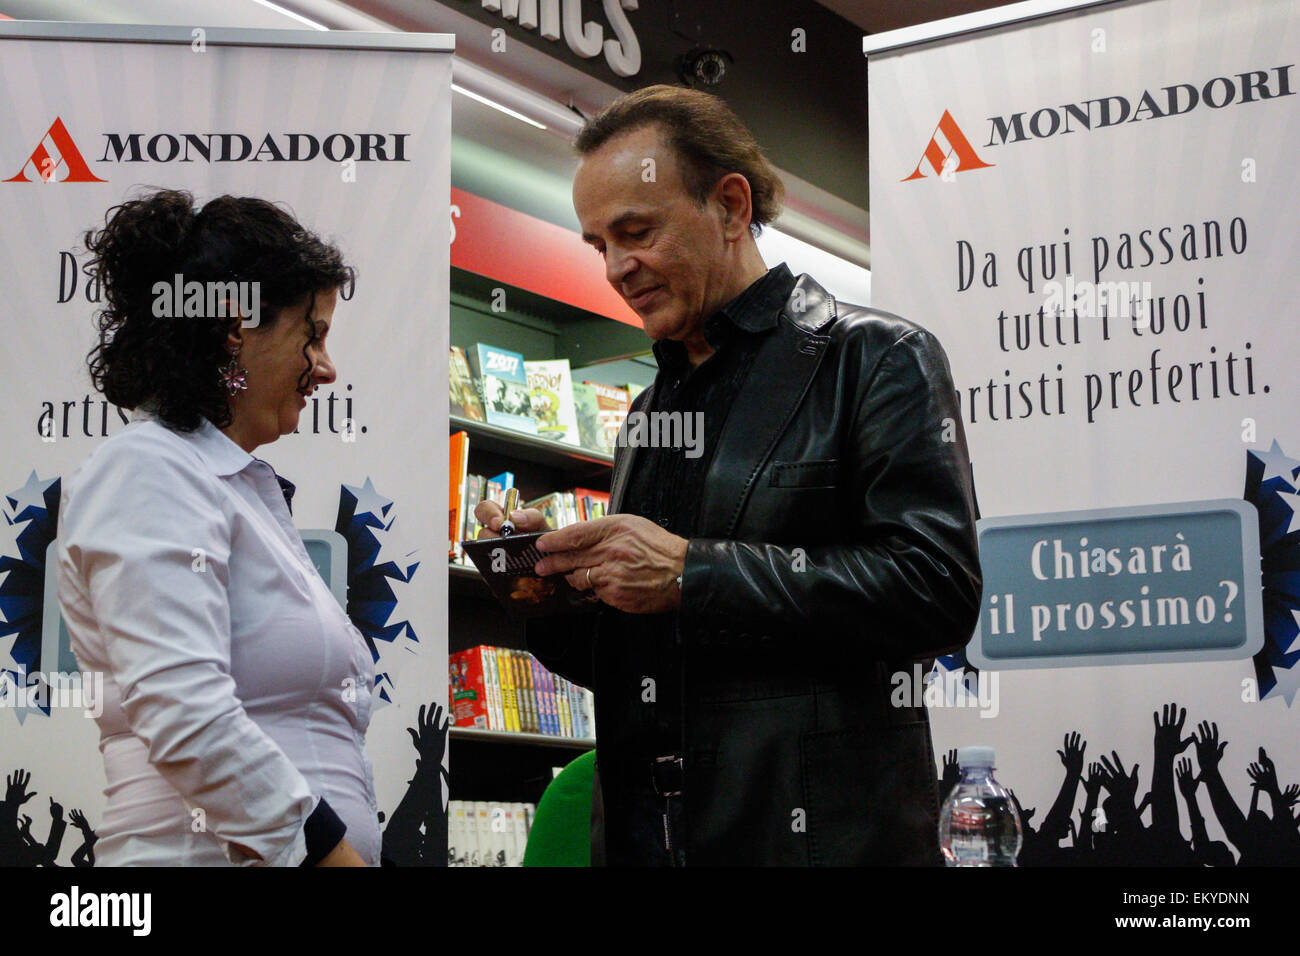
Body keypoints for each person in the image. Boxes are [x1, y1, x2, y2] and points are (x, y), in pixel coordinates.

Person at [477, 85, 982, 865]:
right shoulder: (649, 411)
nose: (616, 267)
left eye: (636, 231)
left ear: (732, 205)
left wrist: (693, 574)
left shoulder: (876, 357)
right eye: (598, 245)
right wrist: (543, 585)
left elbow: (936, 588)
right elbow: (638, 657)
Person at [55, 189, 375, 866]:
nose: (326, 367)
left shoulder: (233, 485)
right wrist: (332, 856)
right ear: (237, 327)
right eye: (311, 334)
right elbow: (185, 712)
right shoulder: (148, 469)